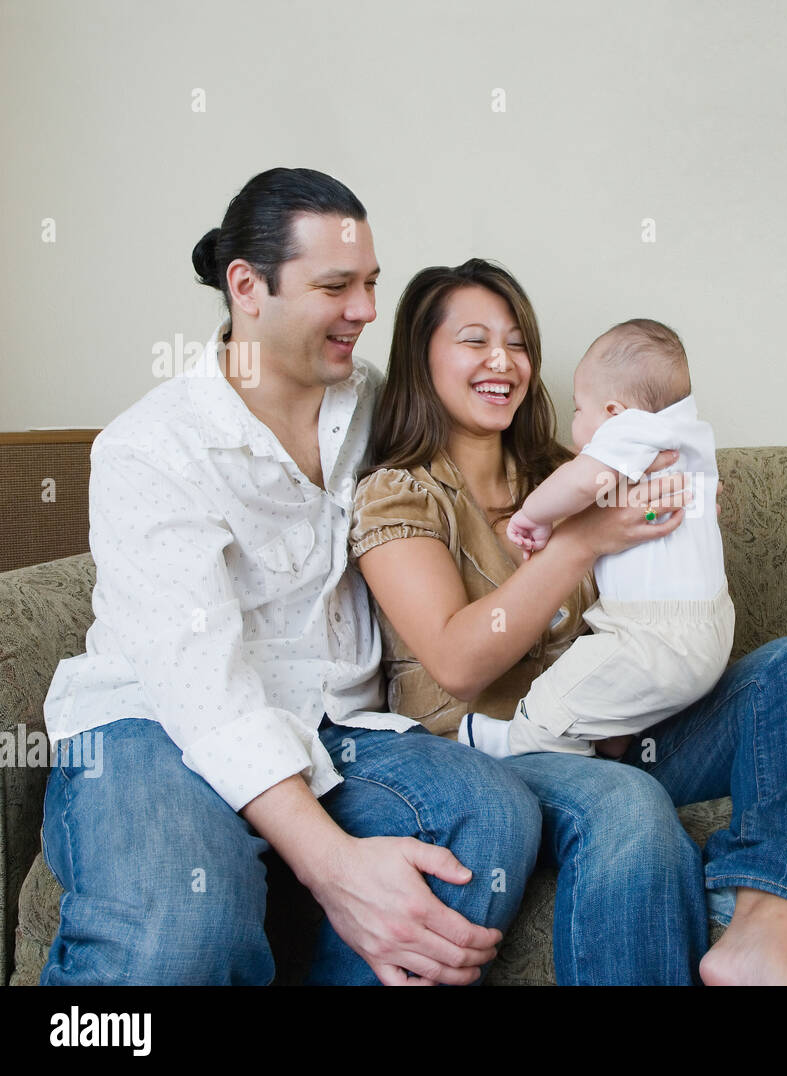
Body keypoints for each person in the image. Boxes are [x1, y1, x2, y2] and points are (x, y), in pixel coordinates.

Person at [39, 167, 539, 986]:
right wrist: (332, 866)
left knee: (493, 814)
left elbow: (497, 437)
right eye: (337, 286)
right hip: (155, 726)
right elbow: (208, 697)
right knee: (183, 929)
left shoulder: (376, 404)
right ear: (248, 287)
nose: (369, 312)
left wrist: (627, 478)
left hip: (330, 723)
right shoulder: (151, 448)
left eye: (372, 284)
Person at [351, 258, 787, 985]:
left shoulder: (572, 468)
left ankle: (766, 922)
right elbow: (458, 664)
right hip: (490, 751)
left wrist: (675, 525)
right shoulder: (399, 493)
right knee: (630, 806)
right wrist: (583, 541)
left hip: (611, 726)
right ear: (420, 358)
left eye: (518, 343)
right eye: (473, 340)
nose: (503, 361)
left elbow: (656, 607)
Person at [457, 317, 735, 759]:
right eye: (474, 339)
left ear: (613, 414)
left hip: (654, 634)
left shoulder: (630, 432)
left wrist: (536, 515)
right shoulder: (686, 436)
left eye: (578, 410)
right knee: (611, 683)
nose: (575, 424)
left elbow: (585, 480)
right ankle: (612, 740)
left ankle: (518, 739)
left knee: (561, 696)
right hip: (710, 629)